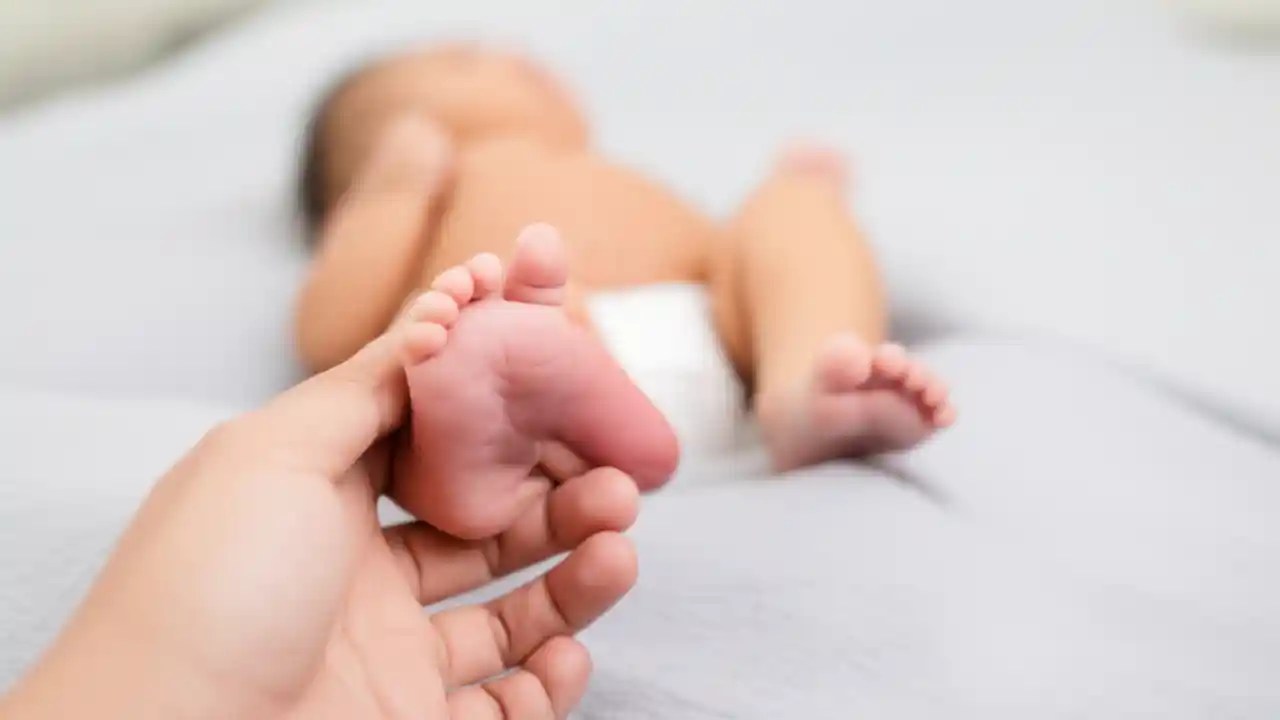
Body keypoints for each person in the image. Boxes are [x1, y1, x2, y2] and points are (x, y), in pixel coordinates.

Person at [294, 45, 958, 538]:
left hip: (724, 347)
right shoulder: (424, 184)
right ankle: (490, 467)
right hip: (545, 369)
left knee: (792, 214)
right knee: (478, 322)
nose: (511, 58)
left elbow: (729, 256)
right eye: (465, 63)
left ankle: (806, 389)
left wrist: (789, 205)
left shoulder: (611, 173)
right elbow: (329, 337)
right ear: (383, 141)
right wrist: (391, 191)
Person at [0, 305, 641, 719]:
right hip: (551, 324)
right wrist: (407, 183)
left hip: (623, 315)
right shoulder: (427, 170)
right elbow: (328, 320)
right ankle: (501, 409)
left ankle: (528, 396)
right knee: (484, 331)